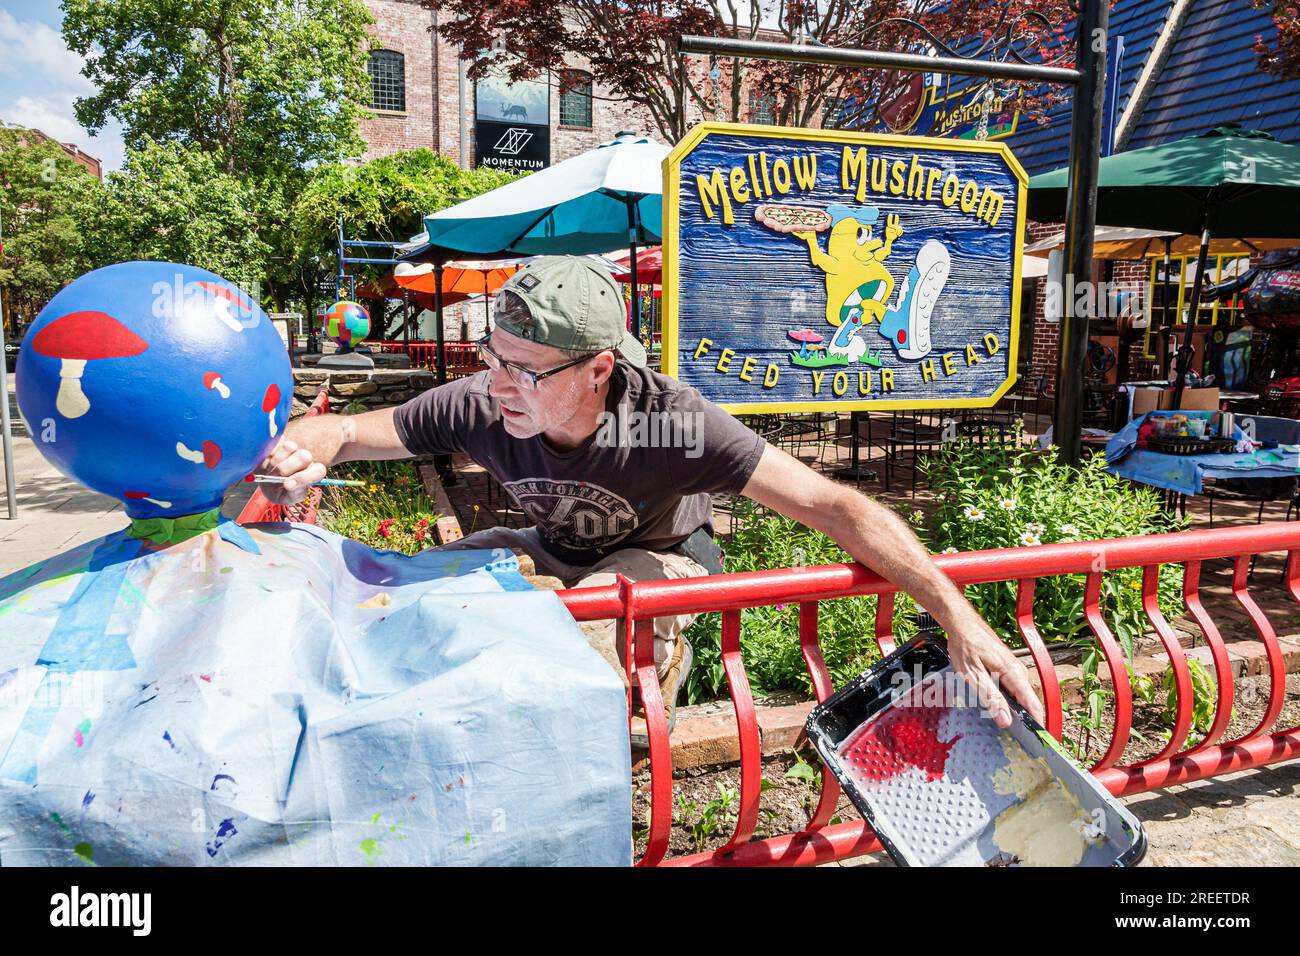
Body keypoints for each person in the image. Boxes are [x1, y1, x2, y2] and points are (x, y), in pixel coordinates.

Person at [262, 256, 1043, 745]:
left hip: (663, 555)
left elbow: (837, 506)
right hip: (554, 549)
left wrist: (960, 618)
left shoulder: (671, 422)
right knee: (427, 581)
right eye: (491, 356)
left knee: (594, 616)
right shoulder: (483, 400)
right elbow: (349, 430)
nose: (497, 384)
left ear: (597, 370)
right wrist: (305, 446)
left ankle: (623, 701)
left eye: (523, 370)